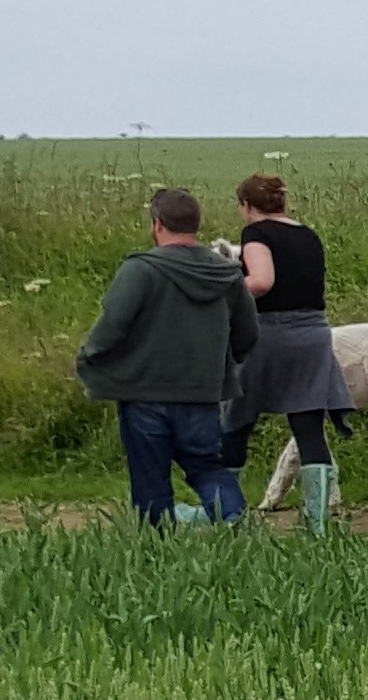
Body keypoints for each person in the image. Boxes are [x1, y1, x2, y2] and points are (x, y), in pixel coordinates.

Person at [73, 184, 260, 527]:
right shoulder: (227, 274)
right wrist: (218, 363)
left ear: (157, 224)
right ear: (197, 225)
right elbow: (248, 333)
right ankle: (236, 521)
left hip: (144, 394)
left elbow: (113, 324)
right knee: (207, 466)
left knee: (150, 477)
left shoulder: (140, 270)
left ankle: (157, 548)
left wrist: (90, 357)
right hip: (202, 393)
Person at [223, 171, 355, 533]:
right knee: (308, 425)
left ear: (247, 206)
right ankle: (316, 523)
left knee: (237, 418)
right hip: (314, 333)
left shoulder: (256, 234)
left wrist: (230, 288)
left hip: (268, 335)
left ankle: (229, 512)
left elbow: (262, 281)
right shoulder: (307, 235)